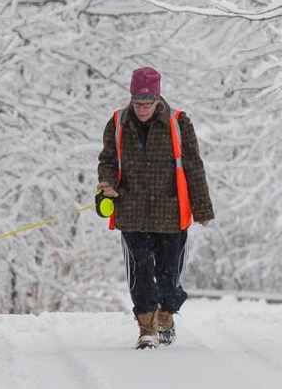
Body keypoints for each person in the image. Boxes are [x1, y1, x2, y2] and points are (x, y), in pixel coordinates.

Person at [96, 65, 214, 349]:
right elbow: (108, 160)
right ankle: (146, 327)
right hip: (132, 211)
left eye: (148, 103)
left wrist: (202, 208)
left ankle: (166, 316)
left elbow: (193, 166)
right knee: (140, 271)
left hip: (170, 213)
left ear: (158, 99)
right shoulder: (118, 122)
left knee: (169, 272)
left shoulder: (179, 123)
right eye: (137, 103)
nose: (142, 109)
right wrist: (107, 183)